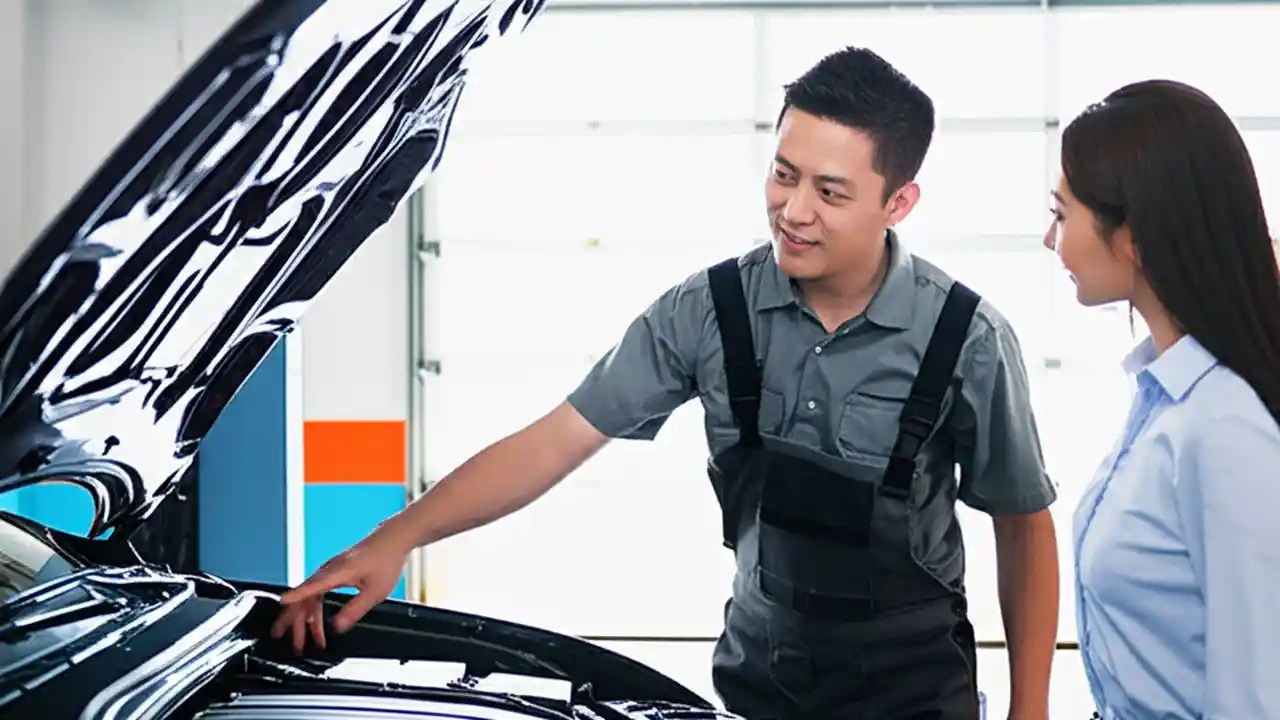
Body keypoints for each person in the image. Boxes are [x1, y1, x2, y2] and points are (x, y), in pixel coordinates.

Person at [274, 47, 1061, 719]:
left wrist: (1030, 713)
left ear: (898, 203)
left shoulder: (967, 339)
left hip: (916, 697)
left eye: (829, 192)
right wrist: (396, 538)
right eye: (782, 174)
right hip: (759, 688)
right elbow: (554, 441)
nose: (793, 211)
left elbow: (1023, 527)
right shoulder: (709, 311)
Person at [1047, 80, 1280, 719]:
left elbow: (1256, 700)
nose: (1050, 239)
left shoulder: (1224, 427)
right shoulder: (1164, 396)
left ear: (1134, 236)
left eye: (1062, 215)